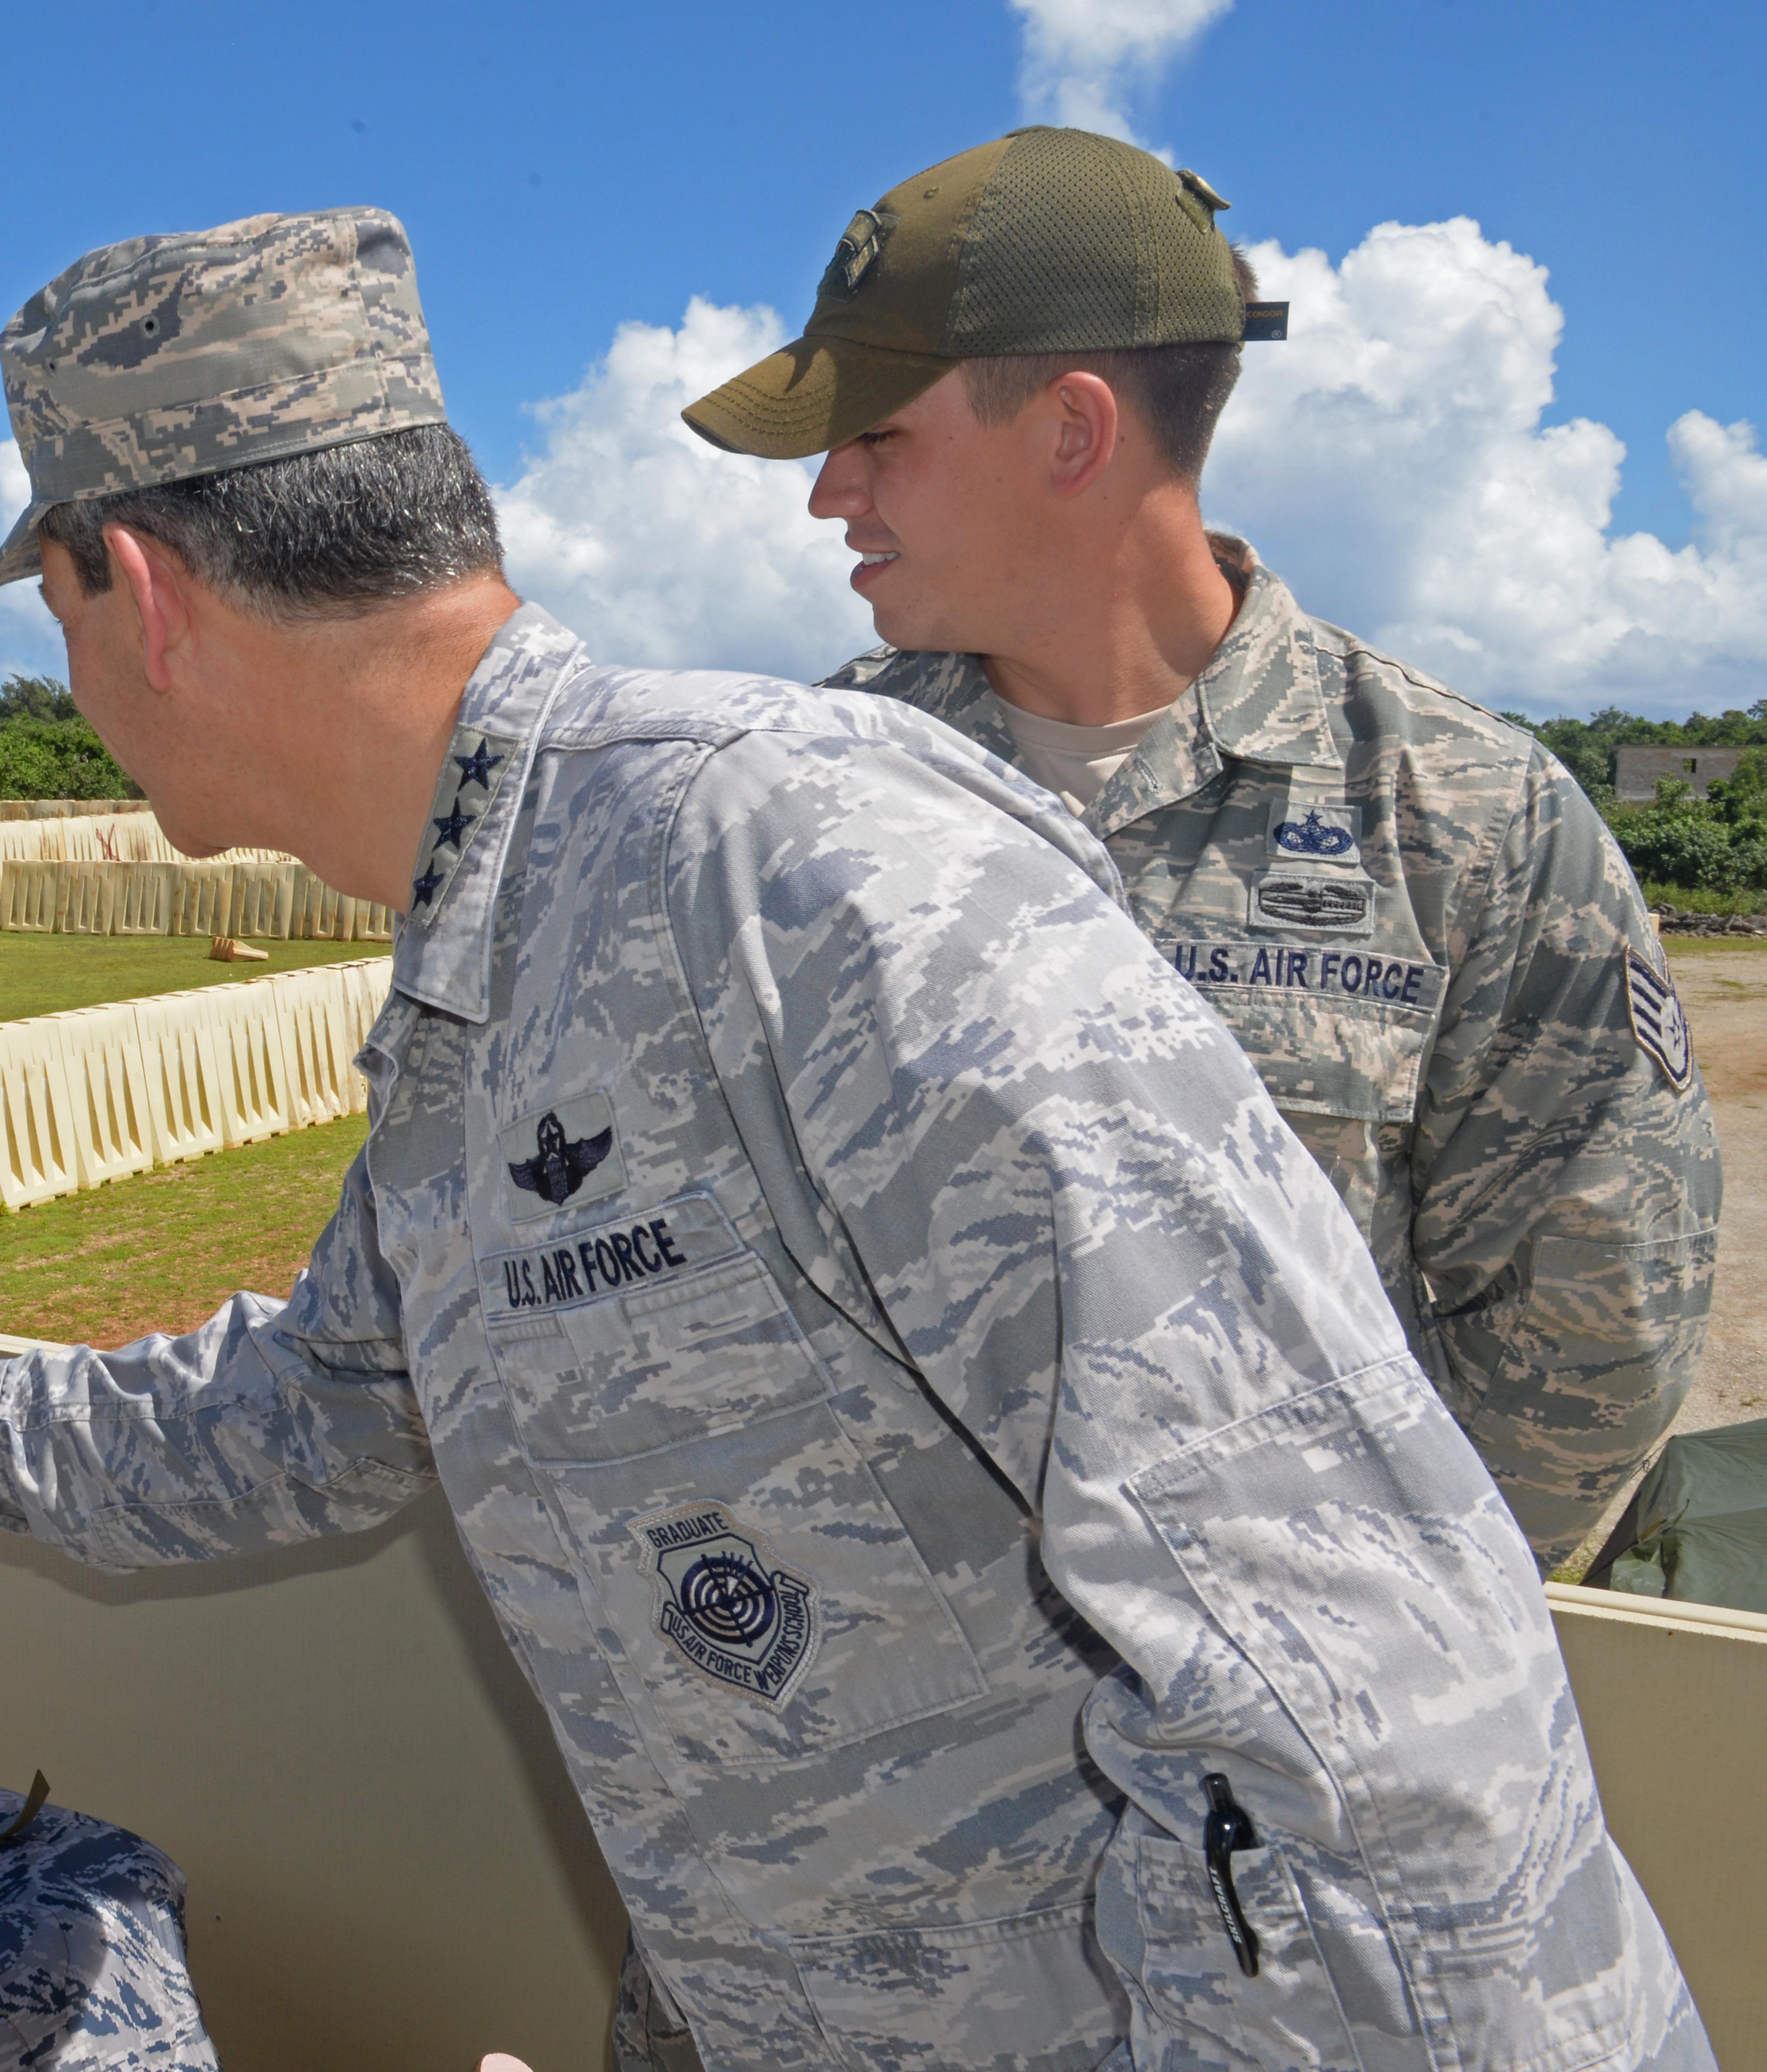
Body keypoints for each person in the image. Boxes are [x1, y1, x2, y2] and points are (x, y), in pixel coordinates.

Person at [0, 207, 1707, 2069]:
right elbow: (319, 1406)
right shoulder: (492, 950)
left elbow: (1346, 1682)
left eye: (57, 608)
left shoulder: (788, 867)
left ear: (140, 595)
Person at [677, 125, 1720, 1570]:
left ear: (1072, 434)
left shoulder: (1468, 830)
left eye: (880, 438)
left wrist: (1365, 1667)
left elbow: (1589, 1344)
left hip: (1317, 1741)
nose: (827, 494)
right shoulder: (804, 799)